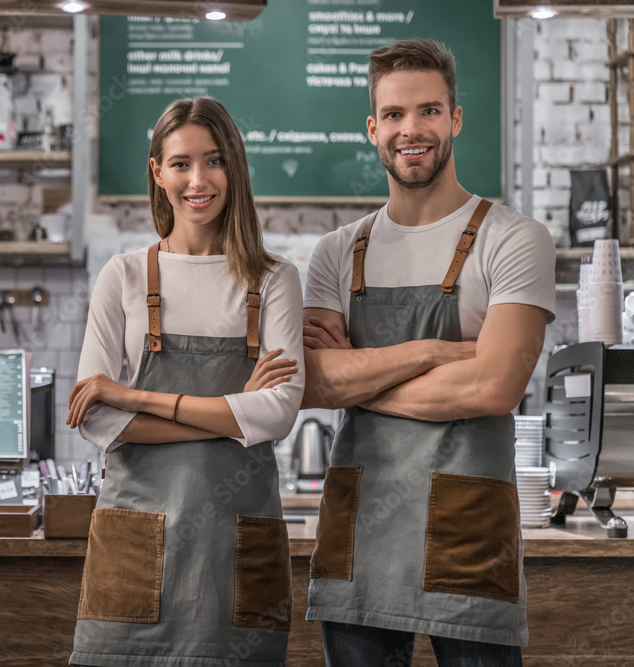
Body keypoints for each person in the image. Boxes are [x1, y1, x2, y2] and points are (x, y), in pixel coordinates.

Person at [301, 39, 556, 666]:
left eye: (429, 111)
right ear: (373, 129)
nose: (410, 129)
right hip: (359, 535)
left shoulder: (514, 239)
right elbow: (312, 385)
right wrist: (437, 353)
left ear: (455, 118)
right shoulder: (337, 252)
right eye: (393, 114)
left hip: (470, 540)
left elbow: (493, 387)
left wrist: (359, 380)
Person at [65, 96, 305, 667]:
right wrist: (233, 414)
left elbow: (278, 413)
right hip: (135, 545)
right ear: (158, 172)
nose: (198, 180)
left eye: (215, 160)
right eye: (181, 163)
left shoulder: (274, 280)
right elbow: (95, 418)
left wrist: (135, 398)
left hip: (234, 547)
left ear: (235, 167)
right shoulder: (123, 276)